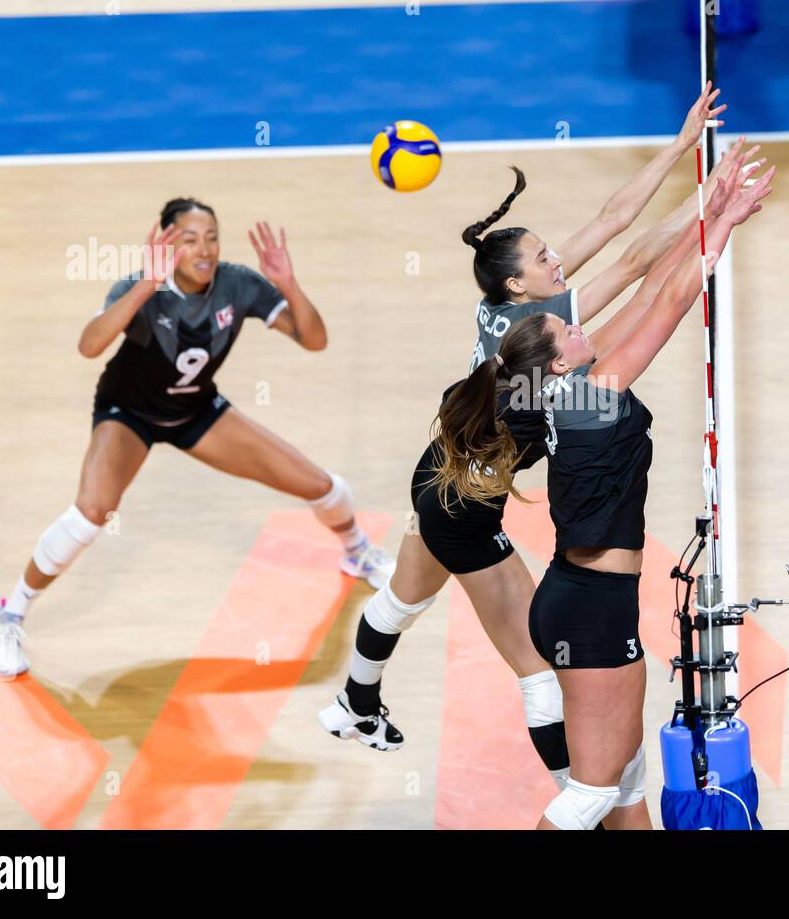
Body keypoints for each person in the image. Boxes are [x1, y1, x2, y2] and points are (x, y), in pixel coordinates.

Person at [319, 87, 746, 781]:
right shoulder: (535, 331)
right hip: (465, 510)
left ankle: (354, 703)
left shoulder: (505, 305)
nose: (556, 262)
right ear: (523, 289)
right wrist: (710, 206)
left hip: (438, 476)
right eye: (545, 261)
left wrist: (678, 144)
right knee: (540, 670)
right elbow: (639, 269)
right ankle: (577, 803)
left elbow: (612, 221)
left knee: (404, 597)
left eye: (552, 254)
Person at [432, 156, 773, 829]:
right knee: (592, 794)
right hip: (592, 614)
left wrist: (710, 217)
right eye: (568, 328)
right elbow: (670, 301)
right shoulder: (593, 394)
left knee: (625, 784)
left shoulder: (567, 386)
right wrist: (720, 219)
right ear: (561, 358)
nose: (580, 320)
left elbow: (651, 295)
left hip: (578, 600)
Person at [0, 201, 393, 678]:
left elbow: (315, 340)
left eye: (212, 237)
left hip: (196, 411)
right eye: (189, 239)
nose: (204, 249)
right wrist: (144, 286)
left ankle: (357, 552)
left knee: (324, 486)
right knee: (90, 514)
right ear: (165, 245)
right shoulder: (144, 289)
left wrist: (286, 281)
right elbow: (88, 345)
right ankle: (8, 615)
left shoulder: (238, 284)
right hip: (128, 414)